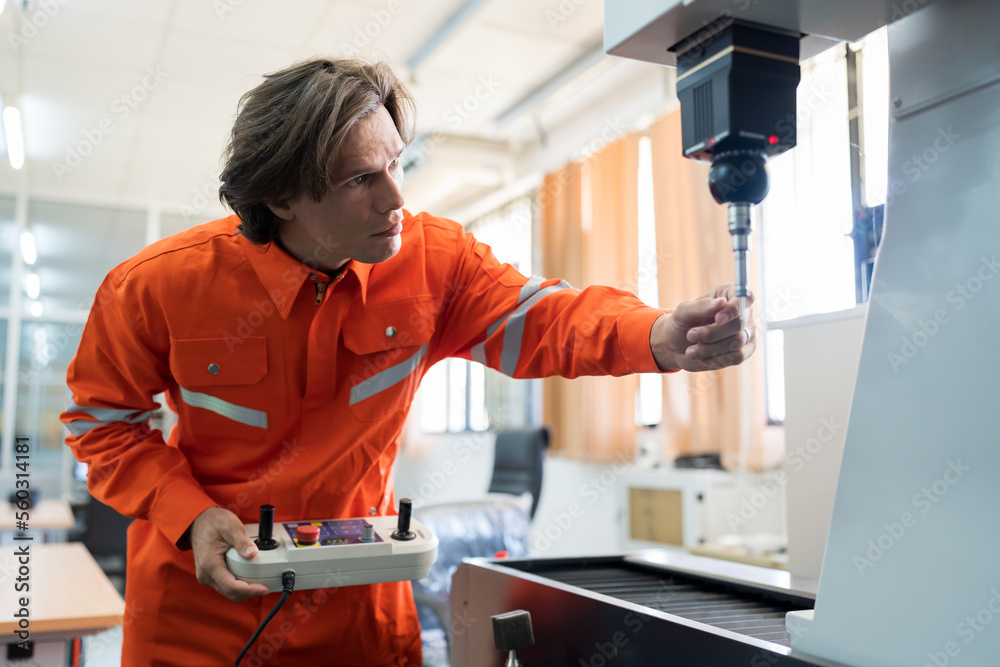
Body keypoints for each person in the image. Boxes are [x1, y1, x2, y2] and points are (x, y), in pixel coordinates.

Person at [62, 58, 755, 666]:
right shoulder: (158, 287)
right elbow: (99, 424)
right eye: (362, 179)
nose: (397, 199)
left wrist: (661, 334)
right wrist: (189, 513)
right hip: (202, 609)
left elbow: (545, 319)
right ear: (281, 198)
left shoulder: (435, 263)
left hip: (357, 609)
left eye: (398, 163)